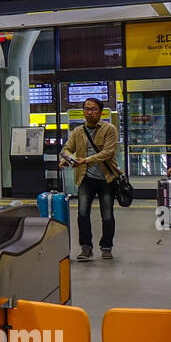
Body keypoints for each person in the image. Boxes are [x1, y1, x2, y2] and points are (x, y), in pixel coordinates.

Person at [59, 97, 121, 261]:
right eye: (86, 109)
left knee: (107, 214)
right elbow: (67, 148)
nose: (89, 112)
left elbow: (108, 152)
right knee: (82, 214)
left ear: (100, 112)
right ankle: (86, 247)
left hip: (106, 178)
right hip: (85, 178)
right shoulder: (78, 131)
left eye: (93, 109)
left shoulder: (110, 129)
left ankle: (106, 246)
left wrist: (85, 160)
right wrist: (65, 158)